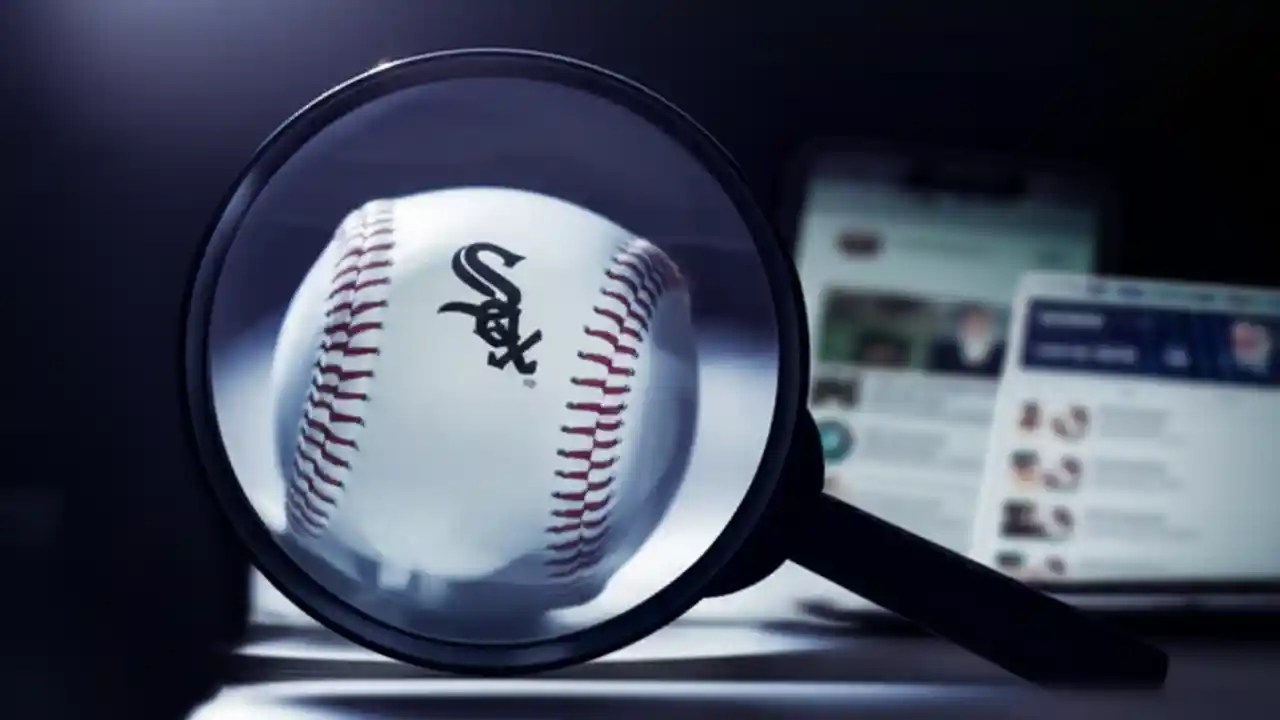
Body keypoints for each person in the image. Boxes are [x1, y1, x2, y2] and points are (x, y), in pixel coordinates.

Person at [930, 305, 1006, 376]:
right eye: (971, 323)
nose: (976, 327)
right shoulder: (943, 352)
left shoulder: (1002, 355)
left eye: (981, 324)